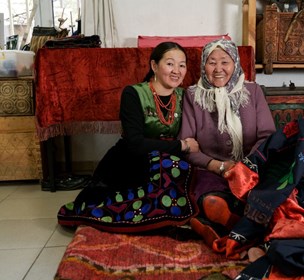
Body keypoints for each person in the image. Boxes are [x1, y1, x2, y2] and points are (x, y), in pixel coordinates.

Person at [57, 41, 199, 232]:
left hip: (167, 159)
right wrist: (181, 145)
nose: (177, 70)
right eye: (170, 64)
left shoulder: (186, 96)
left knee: (182, 171)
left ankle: (166, 216)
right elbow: (135, 144)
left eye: (182, 65)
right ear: (154, 66)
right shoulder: (134, 93)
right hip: (130, 160)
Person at [177, 38, 276, 240]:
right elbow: (187, 145)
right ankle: (236, 224)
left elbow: (267, 135)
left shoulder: (253, 91)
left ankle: (220, 225)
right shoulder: (192, 95)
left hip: (252, 167)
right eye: (211, 62)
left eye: (225, 61)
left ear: (235, 64)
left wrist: (246, 166)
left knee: (265, 194)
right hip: (211, 170)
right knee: (208, 197)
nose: (218, 68)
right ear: (204, 65)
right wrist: (217, 165)